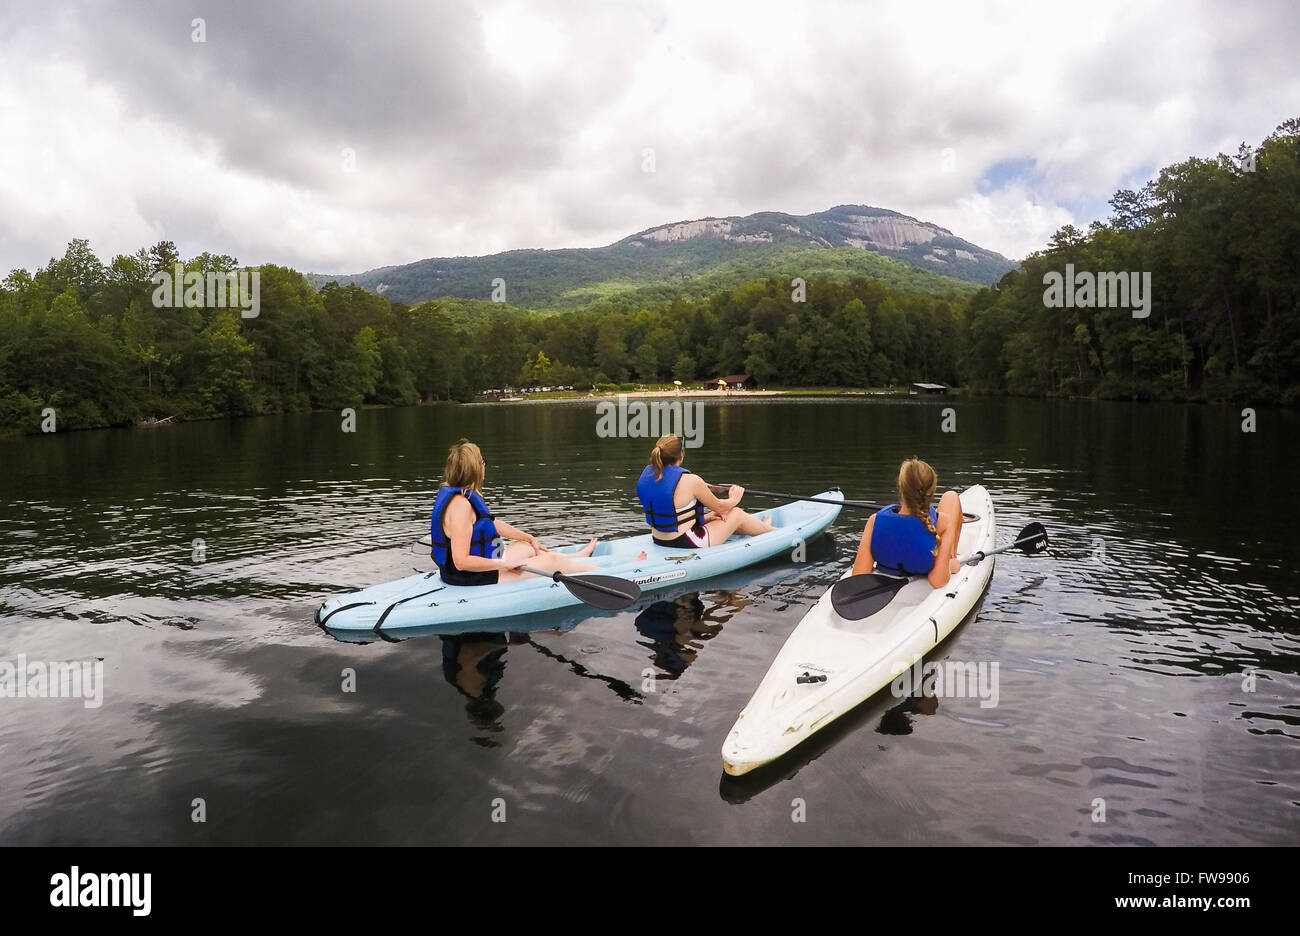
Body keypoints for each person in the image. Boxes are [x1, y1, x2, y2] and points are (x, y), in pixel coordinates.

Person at [431, 439, 604, 585]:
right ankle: (612, 573)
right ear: (475, 469)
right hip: (470, 577)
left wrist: (529, 538)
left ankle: (577, 556)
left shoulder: (461, 494)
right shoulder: (460, 506)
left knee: (525, 546)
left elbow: (491, 524)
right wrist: (504, 563)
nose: (484, 467)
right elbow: (461, 562)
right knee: (552, 562)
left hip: (479, 568)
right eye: (482, 462)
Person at [636, 434, 773, 549]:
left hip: (659, 539)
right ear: (681, 455)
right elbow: (720, 507)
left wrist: (705, 518)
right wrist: (735, 498)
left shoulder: (647, 474)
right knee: (735, 513)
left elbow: (672, 511)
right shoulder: (691, 480)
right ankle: (774, 532)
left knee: (718, 515)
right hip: (685, 542)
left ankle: (760, 528)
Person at [851, 457, 963, 588]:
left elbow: (859, 576)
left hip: (888, 570)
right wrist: (951, 566)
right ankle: (952, 556)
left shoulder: (874, 520)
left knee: (950, 497)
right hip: (926, 567)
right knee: (951, 497)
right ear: (932, 491)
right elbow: (937, 581)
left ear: (900, 487)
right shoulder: (943, 523)